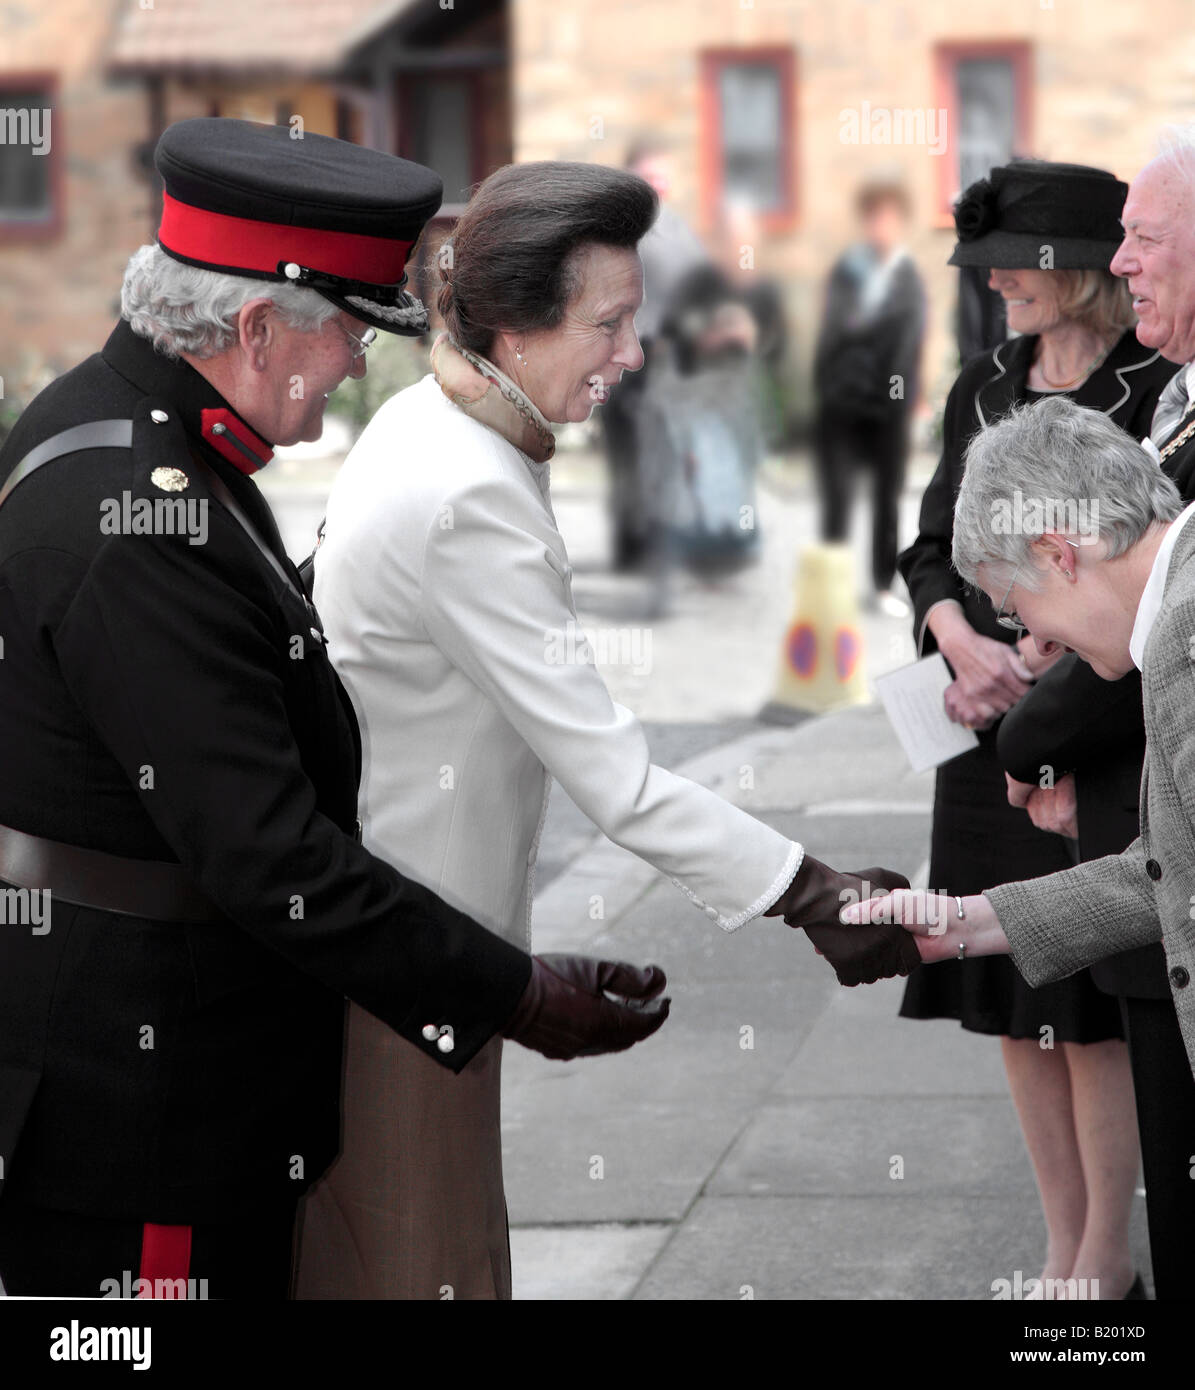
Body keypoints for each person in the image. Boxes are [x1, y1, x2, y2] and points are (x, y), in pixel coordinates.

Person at [0, 118, 674, 1300]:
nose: (363, 363)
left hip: (172, 1052)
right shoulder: (139, 516)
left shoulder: (149, 436)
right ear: (258, 326)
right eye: (350, 332)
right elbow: (266, 849)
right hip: (141, 1094)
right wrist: (514, 991)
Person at [295, 159, 918, 1300]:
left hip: (414, 947)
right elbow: (615, 776)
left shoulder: (433, 416)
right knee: (425, 1275)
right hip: (402, 973)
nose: (634, 354)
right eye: (610, 325)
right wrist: (812, 891)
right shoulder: (467, 490)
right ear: (517, 330)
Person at [897, 160, 1173, 1300]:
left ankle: (1106, 1255)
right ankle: (1060, 1243)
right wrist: (956, 636)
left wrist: (1059, 657)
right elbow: (927, 546)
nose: (996, 282)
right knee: (1017, 999)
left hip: (1097, 719)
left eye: (1015, 262)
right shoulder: (981, 384)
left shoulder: (1159, 379)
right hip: (986, 730)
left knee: (1097, 993)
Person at [844, 395, 1195, 1115]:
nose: (1033, 641)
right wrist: (961, 925)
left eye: (1012, 606)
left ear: (1056, 553)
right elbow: (1167, 868)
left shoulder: (1181, 635)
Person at [986, 131, 1195, 1301]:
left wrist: (1034, 729)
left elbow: (1139, 617)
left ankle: (1100, 1278)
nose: (1122, 262)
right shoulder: (1170, 394)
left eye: (1146, 239)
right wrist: (968, 917)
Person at [813, 176, 926, 616]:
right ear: (865, 221)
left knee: (887, 498)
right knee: (837, 497)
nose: (882, 226)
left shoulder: (907, 276)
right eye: (874, 217)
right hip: (843, 401)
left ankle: (881, 585)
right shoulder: (847, 272)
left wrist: (910, 397)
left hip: (889, 407)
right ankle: (830, 588)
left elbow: (910, 343)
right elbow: (834, 333)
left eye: (890, 218)